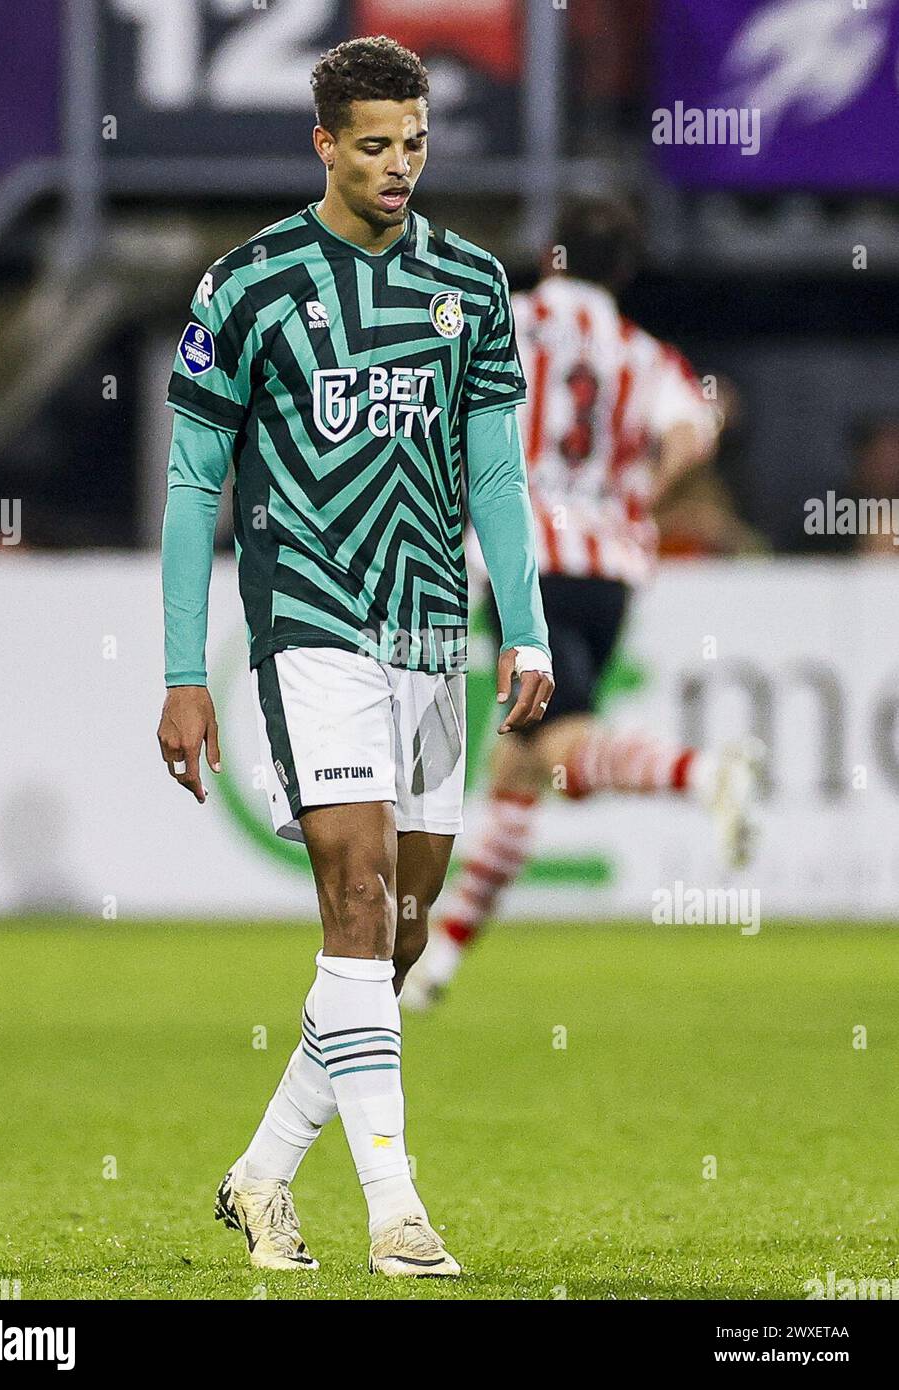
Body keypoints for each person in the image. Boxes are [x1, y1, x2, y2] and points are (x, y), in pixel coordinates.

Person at [156, 36, 553, 1278]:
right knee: (358, 891)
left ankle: (263, 1174)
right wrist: (180, 670)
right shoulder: (249, 285)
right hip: (312, 619)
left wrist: (526, 623)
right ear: (323, 143)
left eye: (416, 143)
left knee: (401, 934)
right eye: (374, 145)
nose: (399, 166)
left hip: (434, 625)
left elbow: (494, 470)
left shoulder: (474, 287)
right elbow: (191, 482)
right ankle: (398, 1209)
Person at [404, 199, 762, 1011]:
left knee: (561, 747)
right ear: (623, 272)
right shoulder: (642, 351)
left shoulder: (508, 316)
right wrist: (638, 489)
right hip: (610, 569)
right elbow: (694, 433)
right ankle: (440, 964)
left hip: (528, 557)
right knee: (521, 766)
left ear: (550, 254)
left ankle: (702, 772)